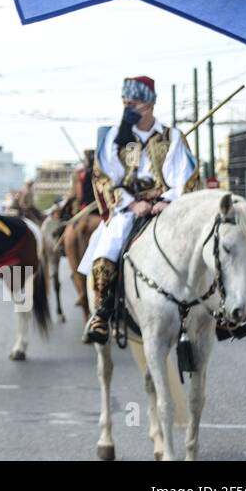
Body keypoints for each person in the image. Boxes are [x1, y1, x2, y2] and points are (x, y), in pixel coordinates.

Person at [77, 76, 200, 345]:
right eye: (124, 102)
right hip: (128, 207)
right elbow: (104, 177)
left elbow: (185, 177)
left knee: (200, 246)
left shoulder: (172, 137)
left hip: (166, 206)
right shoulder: (115, 138)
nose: (127, 107)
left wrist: (166, 201)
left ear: (150, 104)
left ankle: (215, 309)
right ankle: (102, 310)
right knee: (109, 243)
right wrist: (133, 203)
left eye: (133, 103)